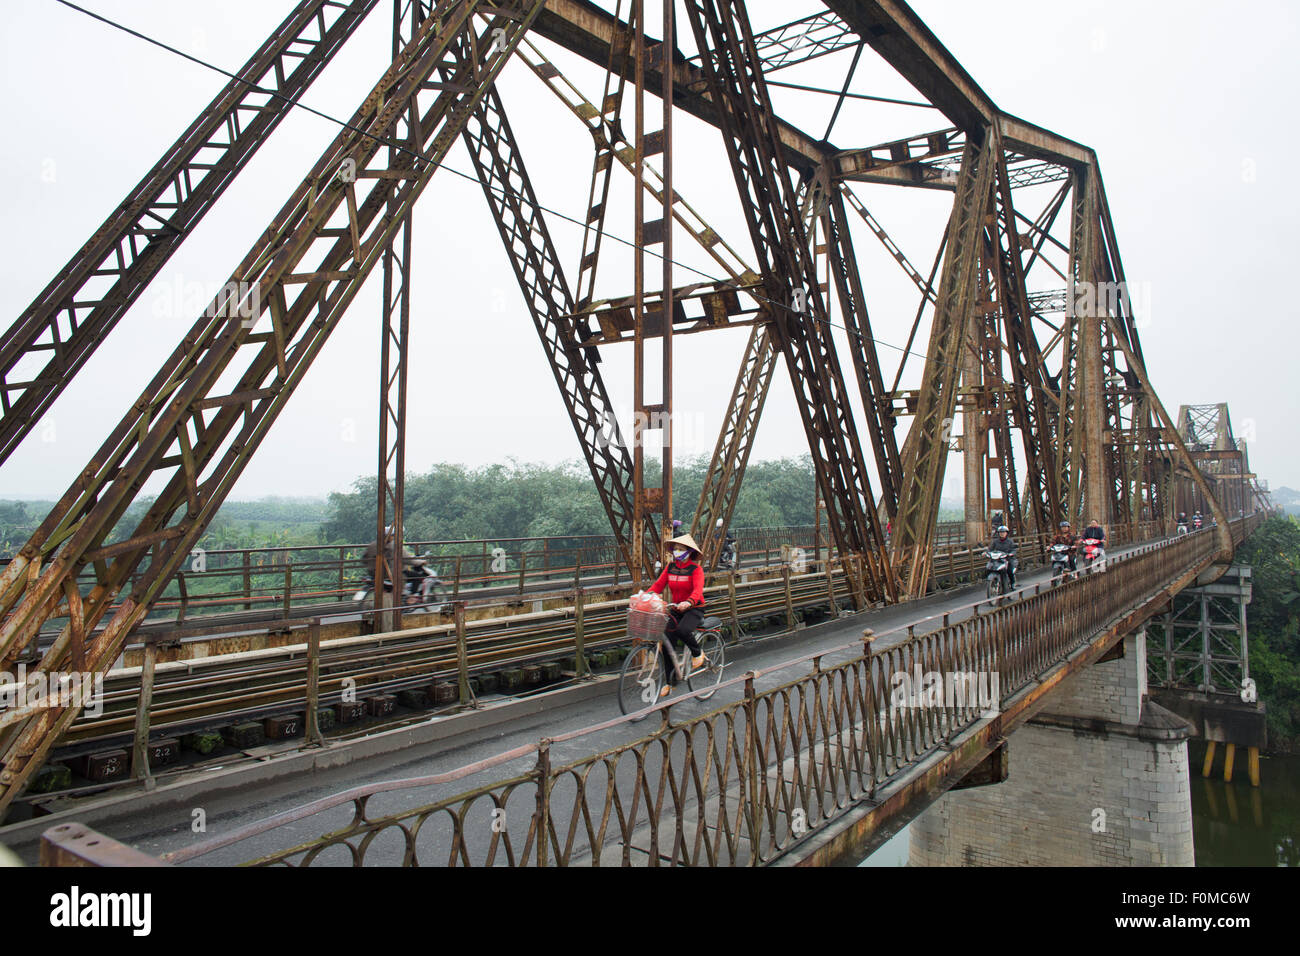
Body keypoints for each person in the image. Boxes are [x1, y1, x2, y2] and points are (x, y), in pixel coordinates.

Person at [645, 532, 706, 699]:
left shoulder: (696, 569)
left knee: (682, 630)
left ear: (689, 552)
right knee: (666, 643)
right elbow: (658, 585)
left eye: (681, 549)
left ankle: (697, 653)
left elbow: (697, 590)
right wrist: (647, 595)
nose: (677, 552)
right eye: (676, 549)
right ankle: (670, 682)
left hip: (693, 608)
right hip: (676, 608)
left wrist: (690, 602)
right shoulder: (670, 567)